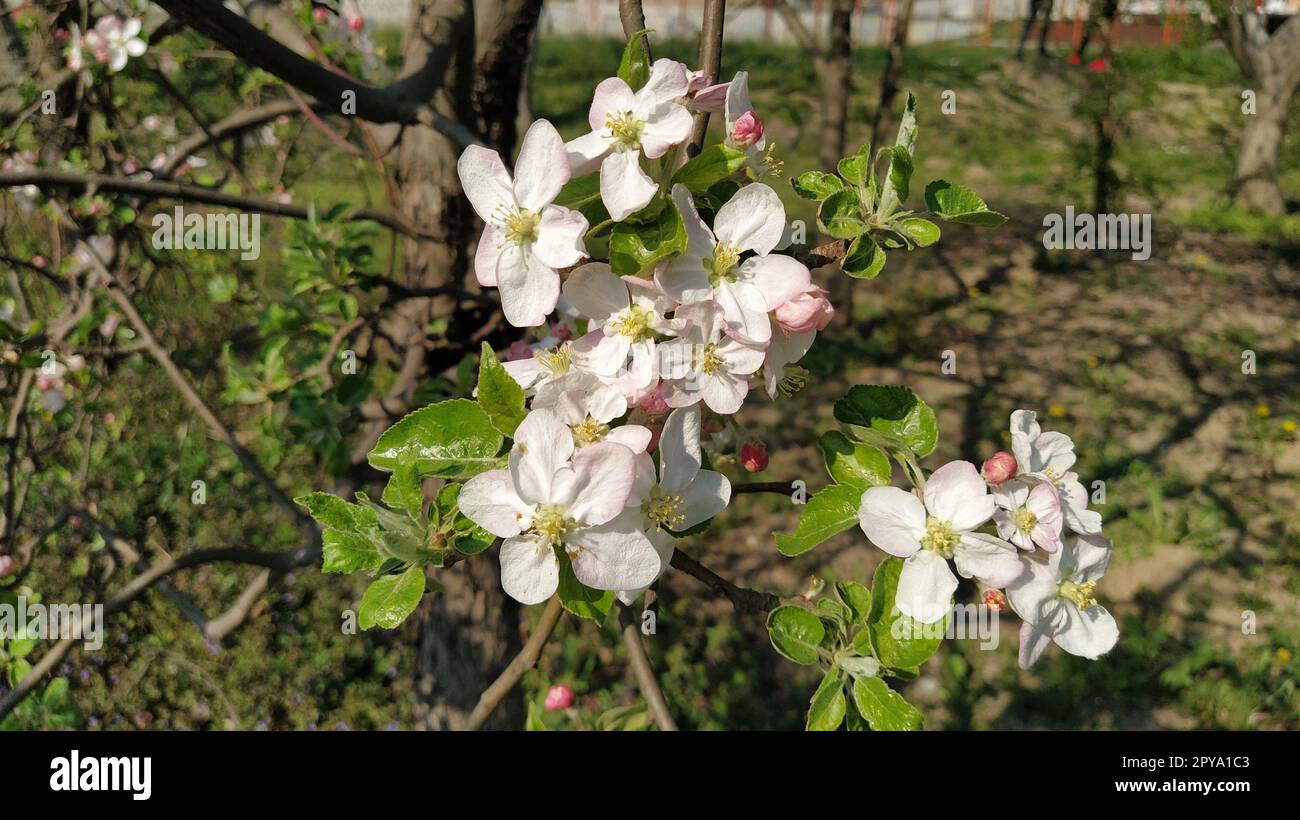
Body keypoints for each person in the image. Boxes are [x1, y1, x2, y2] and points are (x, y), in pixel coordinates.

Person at [1068, 0, 1120, 71]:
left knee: (1105, 33)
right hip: (1097, 8)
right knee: (1088, 30)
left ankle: (1105, 60)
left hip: (1107, 8)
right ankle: (1078, 55)